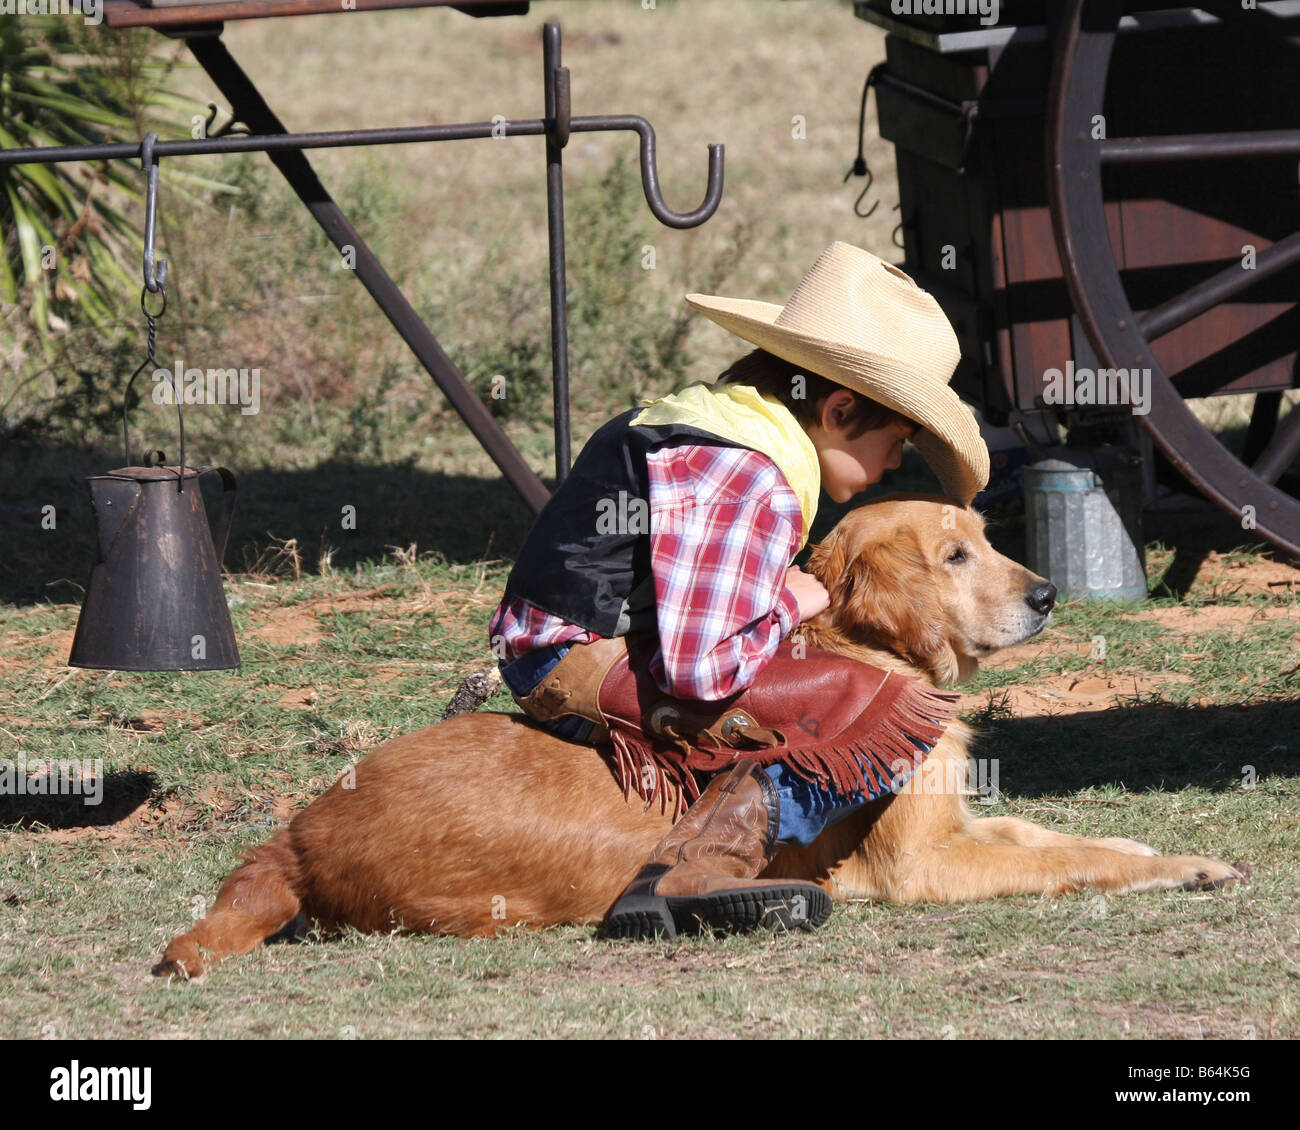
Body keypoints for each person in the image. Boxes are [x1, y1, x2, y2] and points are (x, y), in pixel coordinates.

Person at [488, 241, 990, 940]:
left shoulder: (714, 421)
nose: (896, 464)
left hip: (558, 637)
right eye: (897, 441)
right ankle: (694, 870)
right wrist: (792, 602)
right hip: (577, 661)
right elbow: (698, 673)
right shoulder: (753, 477)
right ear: (841, 411)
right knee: (888, 715)